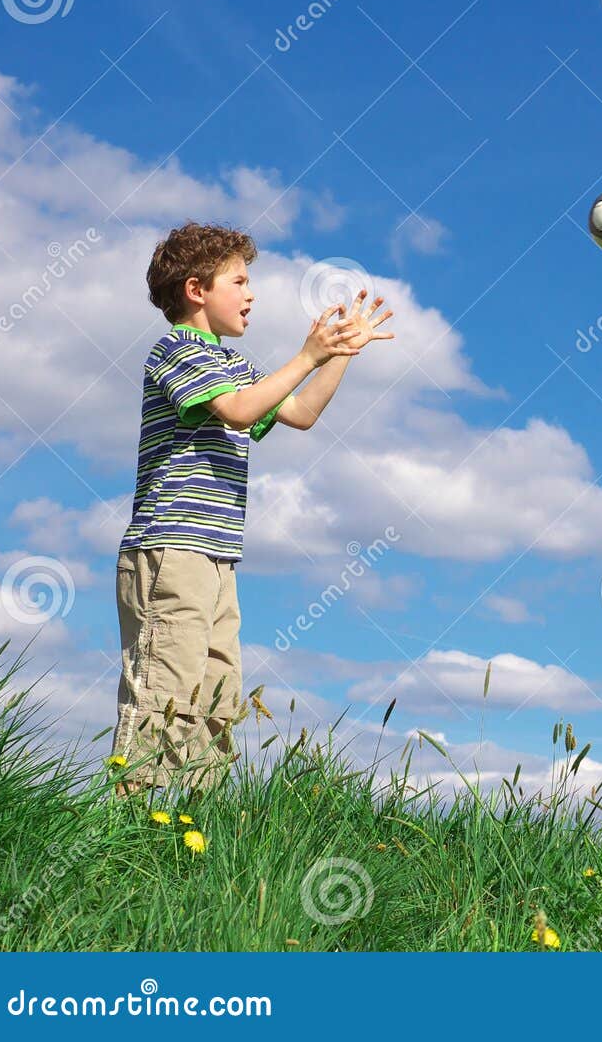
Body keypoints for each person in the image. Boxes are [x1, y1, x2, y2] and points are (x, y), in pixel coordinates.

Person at [109, 222, 392, 797]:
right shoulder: (176, 352)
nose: (251, 293)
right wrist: (305, 353)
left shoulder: (233, 363)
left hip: (217, 556)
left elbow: (302, 413)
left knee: (217, 698)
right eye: (239, 281)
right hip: (172, 551)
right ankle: (130, 824)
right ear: (196, 289)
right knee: (164, 694)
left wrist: (336, 354)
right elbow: (237, 411)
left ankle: (194, 827)